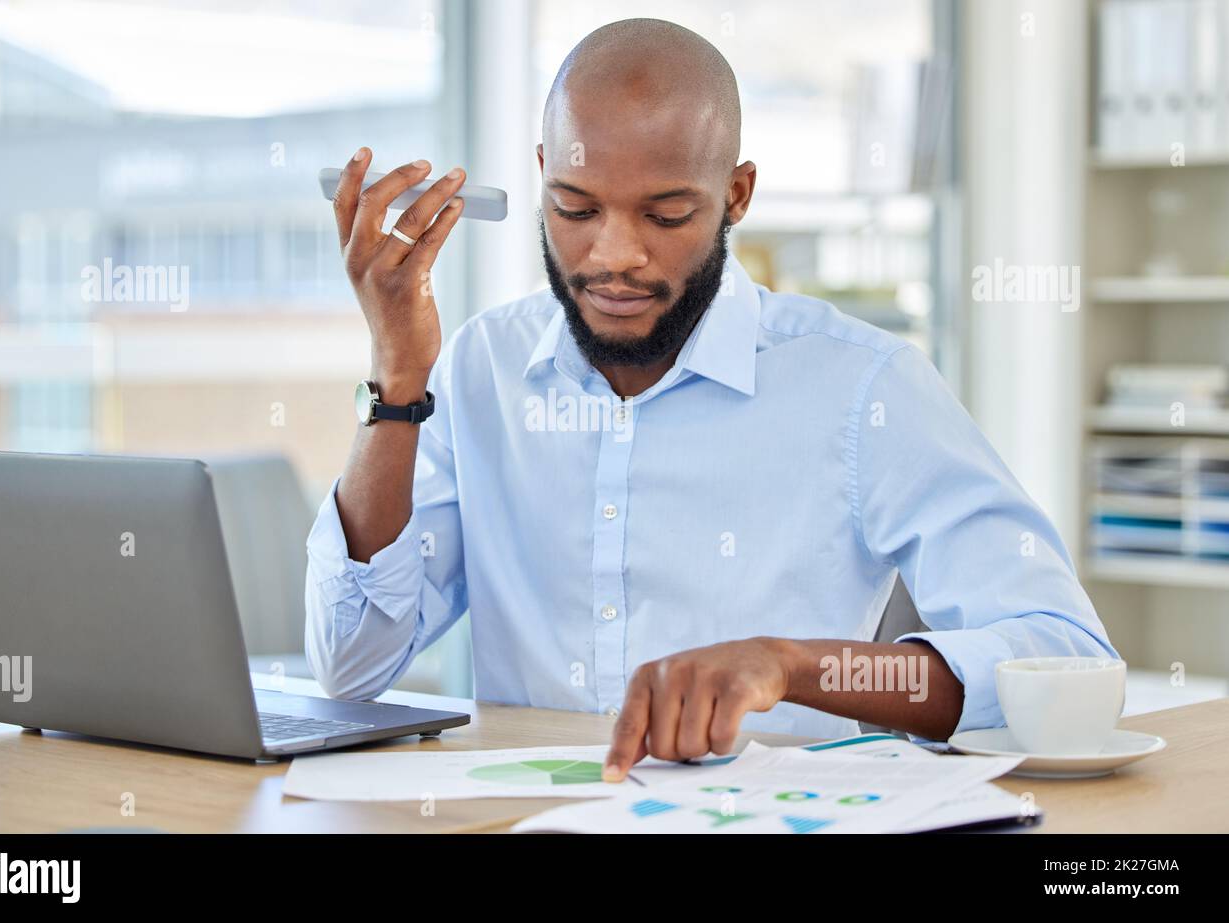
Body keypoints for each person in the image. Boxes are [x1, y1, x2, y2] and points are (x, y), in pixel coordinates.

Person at [305, 18, 1116, 782]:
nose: (613, 256)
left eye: (666, 214)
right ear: (543, 171)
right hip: (528, 817)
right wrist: (397, 380)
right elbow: (350, 663)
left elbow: (1067, 657)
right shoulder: (480, 369)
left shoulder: (862, 386)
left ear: (736, 194)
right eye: (575, 208)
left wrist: (791, 665)